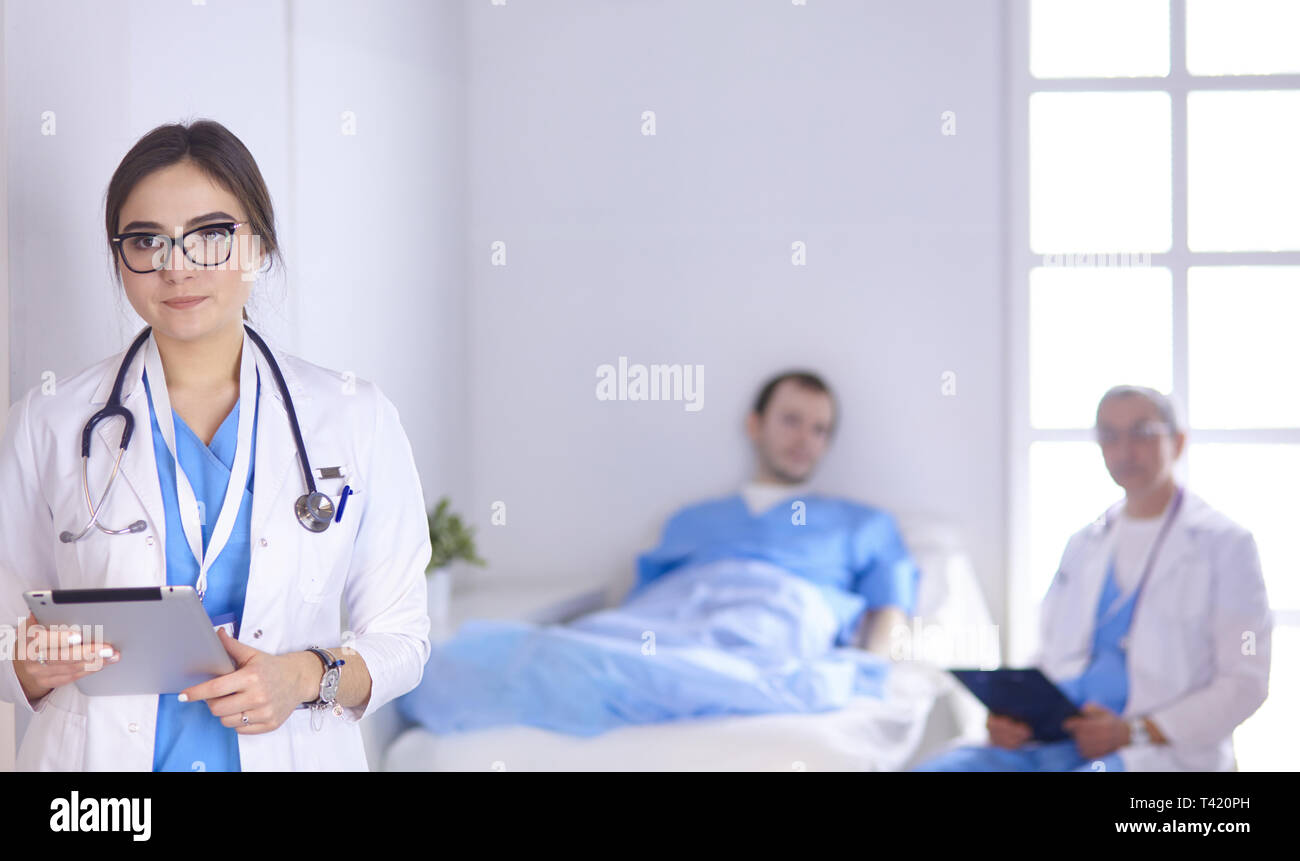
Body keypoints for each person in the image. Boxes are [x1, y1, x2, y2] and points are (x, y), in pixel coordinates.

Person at [0, 119, 431, 771]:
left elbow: (403, 637)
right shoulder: (50, 421)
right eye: (147, 241)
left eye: (210, 235)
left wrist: (307, 676)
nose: (177, 267)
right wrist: (25, 664)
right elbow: (7, 633)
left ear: (258, 244)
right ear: (120, 257)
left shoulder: (354, 416)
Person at [915, 385, 1271, 771]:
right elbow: (1049, 655)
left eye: (1143, 432)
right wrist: (1013, 717)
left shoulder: (1225, 545)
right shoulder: (1084, 543)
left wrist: (1134, 731)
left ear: (1178, 441)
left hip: (1148, 751)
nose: (1124, 449)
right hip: (1053, 739)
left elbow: (1245, 682)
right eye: (1109, 435)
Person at [635, 370, 919, 654]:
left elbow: (889, 614)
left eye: (819, 429)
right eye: (791, 421)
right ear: (755, 425)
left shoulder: (864, 524)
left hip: (779, 633)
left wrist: (877, 674)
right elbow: (644, 609)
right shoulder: (691, 520)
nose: (804, 440)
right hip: (674, 636)